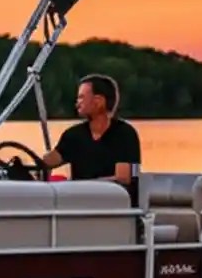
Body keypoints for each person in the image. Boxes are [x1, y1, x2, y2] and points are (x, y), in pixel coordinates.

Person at [41, 74, 142, 206]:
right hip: (80, 205)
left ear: (99, 101)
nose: (77, 103)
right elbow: (48, 162)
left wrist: (78, 187)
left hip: (116, 207)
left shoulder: (125, 134)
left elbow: (122, 178)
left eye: (82, 97)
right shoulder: (73, 135)